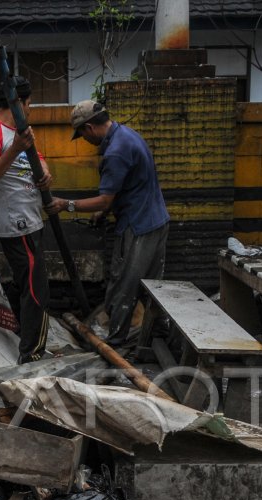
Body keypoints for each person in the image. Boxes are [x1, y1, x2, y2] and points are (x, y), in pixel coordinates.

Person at [46, 99, 170, 344]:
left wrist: (66, 205)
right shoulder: (127, 135)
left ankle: (115, 343)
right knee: (154, 288)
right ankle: (158, 337)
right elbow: (126, 187)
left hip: (138, 227)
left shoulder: (115, 152)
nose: (85, 140)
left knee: (125, 286)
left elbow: (104, 200)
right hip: (157, 221)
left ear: (90, 128)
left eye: (82, 135)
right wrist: (103, 212)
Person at [0, 76, 53, 363]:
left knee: (27, 285)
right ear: (19, 102)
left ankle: (25, 342)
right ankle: (30, 354)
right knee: (35, 289)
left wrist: (43, 170)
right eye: (29, 104)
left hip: (32, 219)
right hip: (15, 222)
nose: (30, 110)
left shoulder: (20, 129)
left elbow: (38, 156)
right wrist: (15, 149)